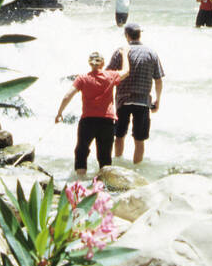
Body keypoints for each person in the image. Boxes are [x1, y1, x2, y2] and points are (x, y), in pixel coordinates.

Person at [56, 48, 129, 175]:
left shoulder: (82, 78)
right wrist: (125, 55)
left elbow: (67, 96)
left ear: (89, 63)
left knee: (81, 152)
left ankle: (80, 183)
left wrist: (59, 113)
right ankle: (103, 187)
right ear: (102, 63)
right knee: (105, 156)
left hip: (88, 121)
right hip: (107, 122)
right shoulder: (110, 76)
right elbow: (127, 71)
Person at [107, 23, 164, 165]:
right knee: (139, 139)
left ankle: (117, 165)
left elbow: (108, 76)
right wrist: (157, 100)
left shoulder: (120, 51)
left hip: (123, 101)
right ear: (140, 34)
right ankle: (137, 170)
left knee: (119, 136)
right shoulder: (151, 53)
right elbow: (158, 80)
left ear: (127, 35)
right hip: (143, 101)